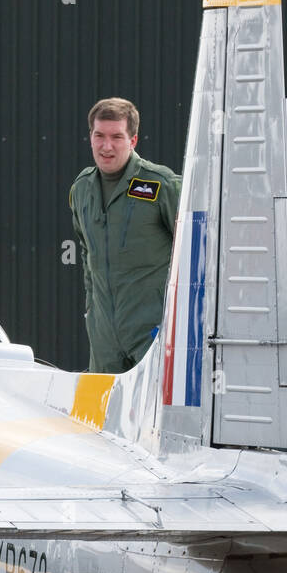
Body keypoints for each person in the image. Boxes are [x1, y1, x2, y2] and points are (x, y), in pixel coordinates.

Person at [69, 98, 181, 374]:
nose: (107, 146)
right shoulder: (81, 189)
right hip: (104, 338)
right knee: (104, 414)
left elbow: (196, 252)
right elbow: (86, 253)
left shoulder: (160, 185)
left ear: (133, 140)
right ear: (91, 138)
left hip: (153, 334)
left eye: (117, 137)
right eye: (100, 136)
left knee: (155, 415)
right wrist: (92, 313)